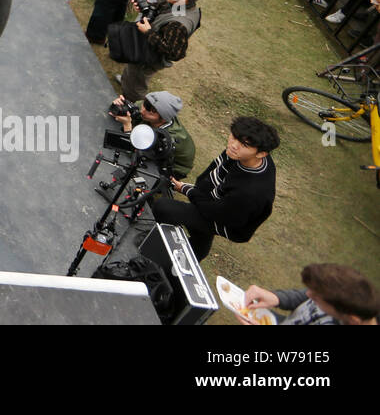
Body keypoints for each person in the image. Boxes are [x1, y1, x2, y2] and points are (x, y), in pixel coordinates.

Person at [153, 116, 279, 261]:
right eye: (234, 137)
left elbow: (216, 213)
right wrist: (195, 190)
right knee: (200, 234)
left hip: (229, 218)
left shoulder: (250, 192)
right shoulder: (241, 155)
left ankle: (163, 248)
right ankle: (195, 253)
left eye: (244, 145)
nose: (233, 145)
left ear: (262, 153)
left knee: (163, 207)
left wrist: (188, 191)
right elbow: (213, 173)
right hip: (220, 205)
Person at [116, 0, 202, 100]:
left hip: (149, 59)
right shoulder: (181, 4)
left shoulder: (178, 25)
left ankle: (131, 101)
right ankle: (126, 81)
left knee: (137, 82)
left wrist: (148, 32)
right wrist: (147, 8)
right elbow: (164, 11)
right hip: (144, 51)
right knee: (131, 73)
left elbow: (174, 53)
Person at [242, 264, 380, 325]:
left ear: (353, 320)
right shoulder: (347, 302)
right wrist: (277, 298)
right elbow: (305, 297)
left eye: (316, 298)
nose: (309, 294)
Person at [108, 90, 195, 179]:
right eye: (145, 103)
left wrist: (127, 125)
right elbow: (121, 111)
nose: (143, 110)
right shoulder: (147, 107)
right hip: (153, 143)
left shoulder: (164, 138)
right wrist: (119, 108)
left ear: (163, 118)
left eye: (151, 110)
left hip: (174, 167)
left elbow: (135, 152)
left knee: (137, 172)